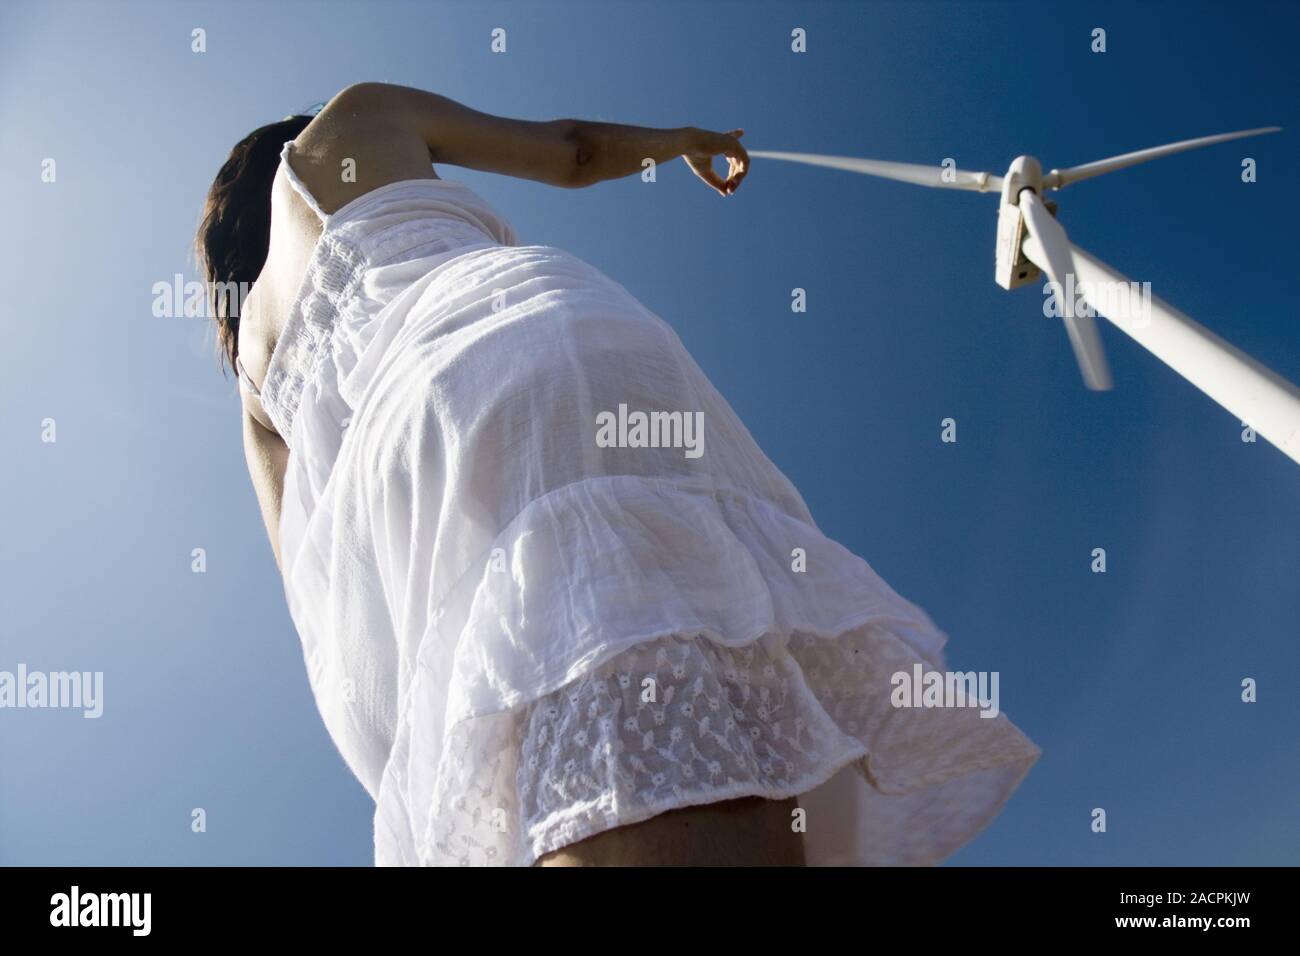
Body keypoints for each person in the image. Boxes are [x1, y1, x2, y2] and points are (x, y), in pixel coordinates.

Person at [195, 82, 1039, 866]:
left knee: (532, 716)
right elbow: (573, 149)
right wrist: (684, 141)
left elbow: (318, 599)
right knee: (668, 643)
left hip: (400, 505)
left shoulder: (253, 391)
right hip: (525, 357)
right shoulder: (352, 121)